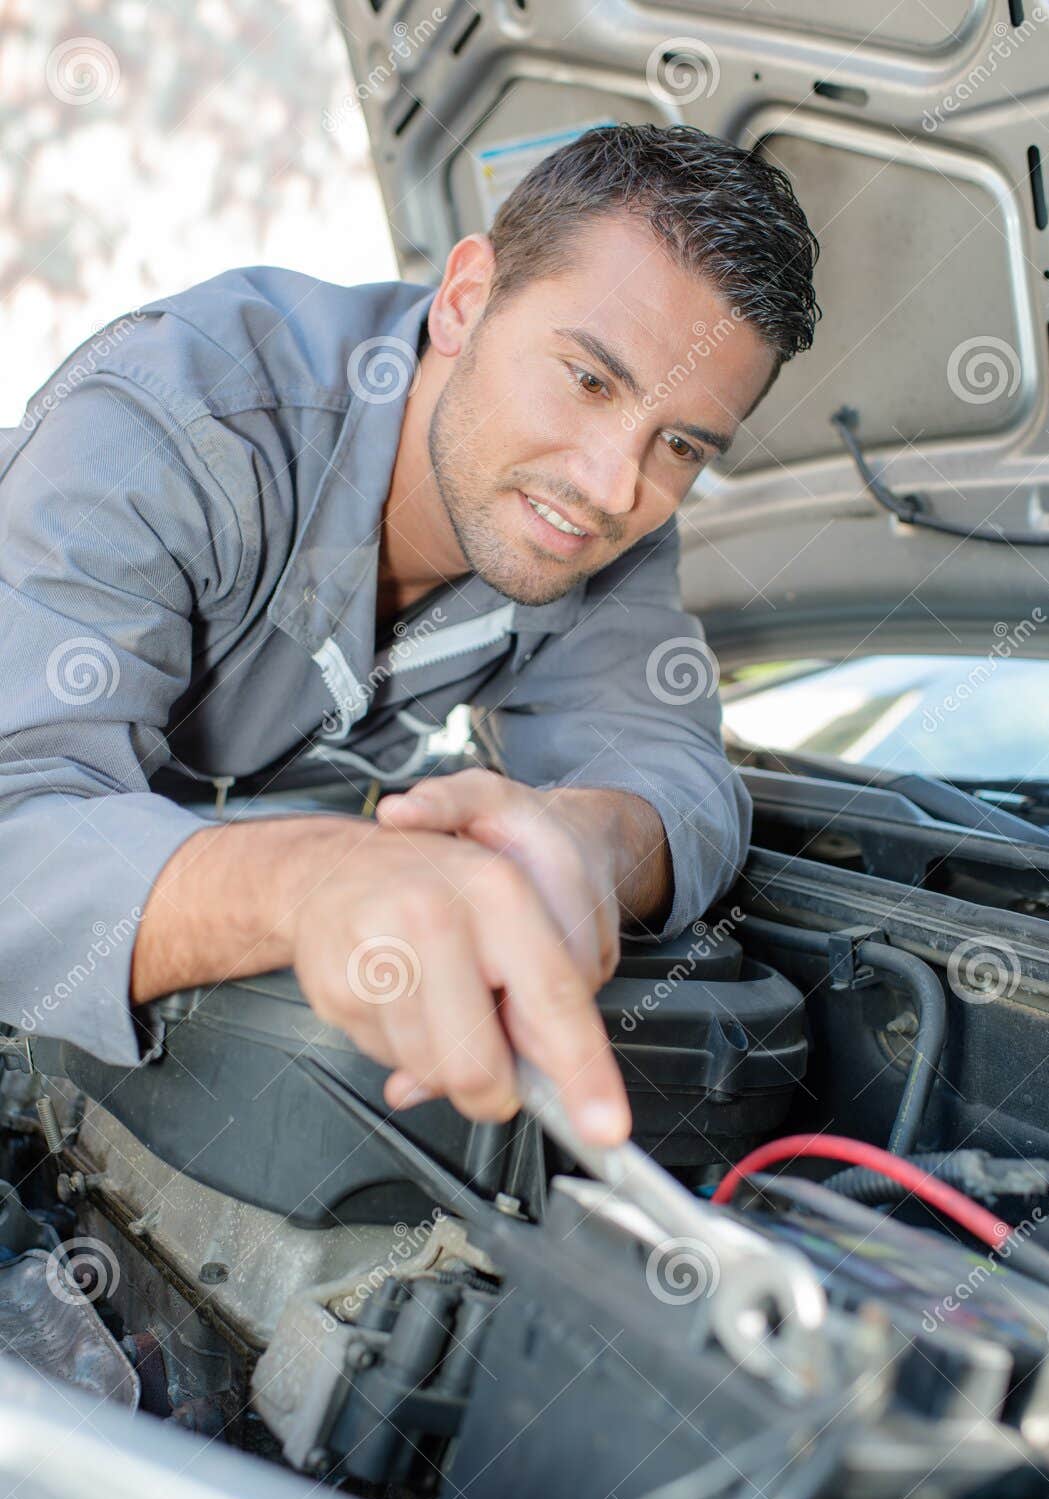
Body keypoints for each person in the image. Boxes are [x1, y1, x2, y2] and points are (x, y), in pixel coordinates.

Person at [0, 123, 818, 1146]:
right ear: (467, 299)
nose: (615, 484)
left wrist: (578, 841)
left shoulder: (601, 527)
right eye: (590, 381)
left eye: (683, 443)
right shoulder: (180, 414)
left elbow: (676, 772)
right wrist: (310, 880)